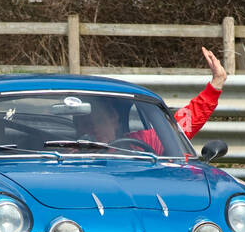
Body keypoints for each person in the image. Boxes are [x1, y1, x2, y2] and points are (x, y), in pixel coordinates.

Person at [84, 46, 228, 154]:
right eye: (86, 123)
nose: (93, 129)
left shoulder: (140, 142)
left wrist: (216, 84)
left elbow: (182, 124)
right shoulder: (69, 153)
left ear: (114, 120)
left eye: (99, 121)